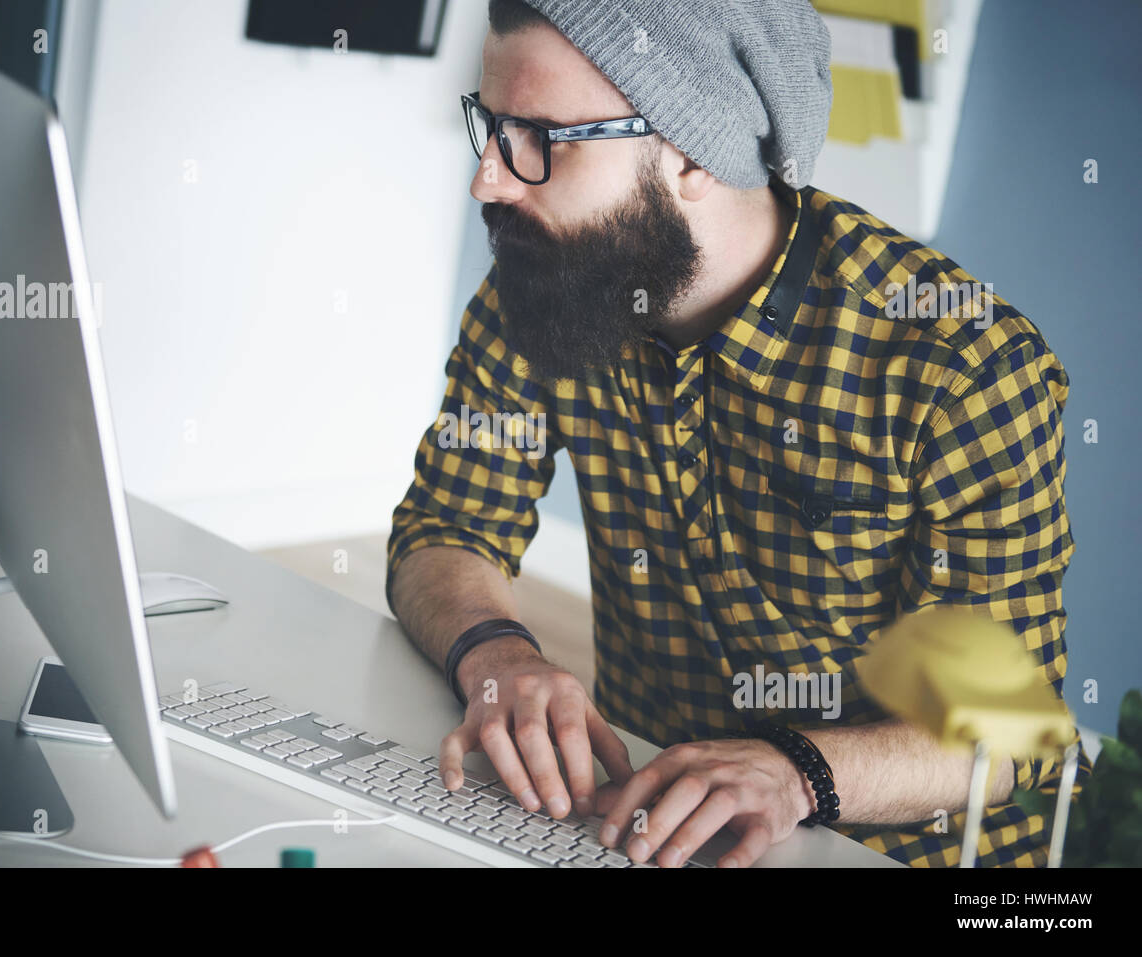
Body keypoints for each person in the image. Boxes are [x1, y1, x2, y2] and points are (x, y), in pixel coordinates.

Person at [386, 0, 1090, 868]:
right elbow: (445, 527)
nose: (487, 179)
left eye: (538, 139)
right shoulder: (543, 291)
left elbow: (1005, 735)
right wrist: (495, 652)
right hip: (650, 829)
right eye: (489, 128)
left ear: (688, 152)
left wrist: (793, 774)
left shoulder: (962, 367)